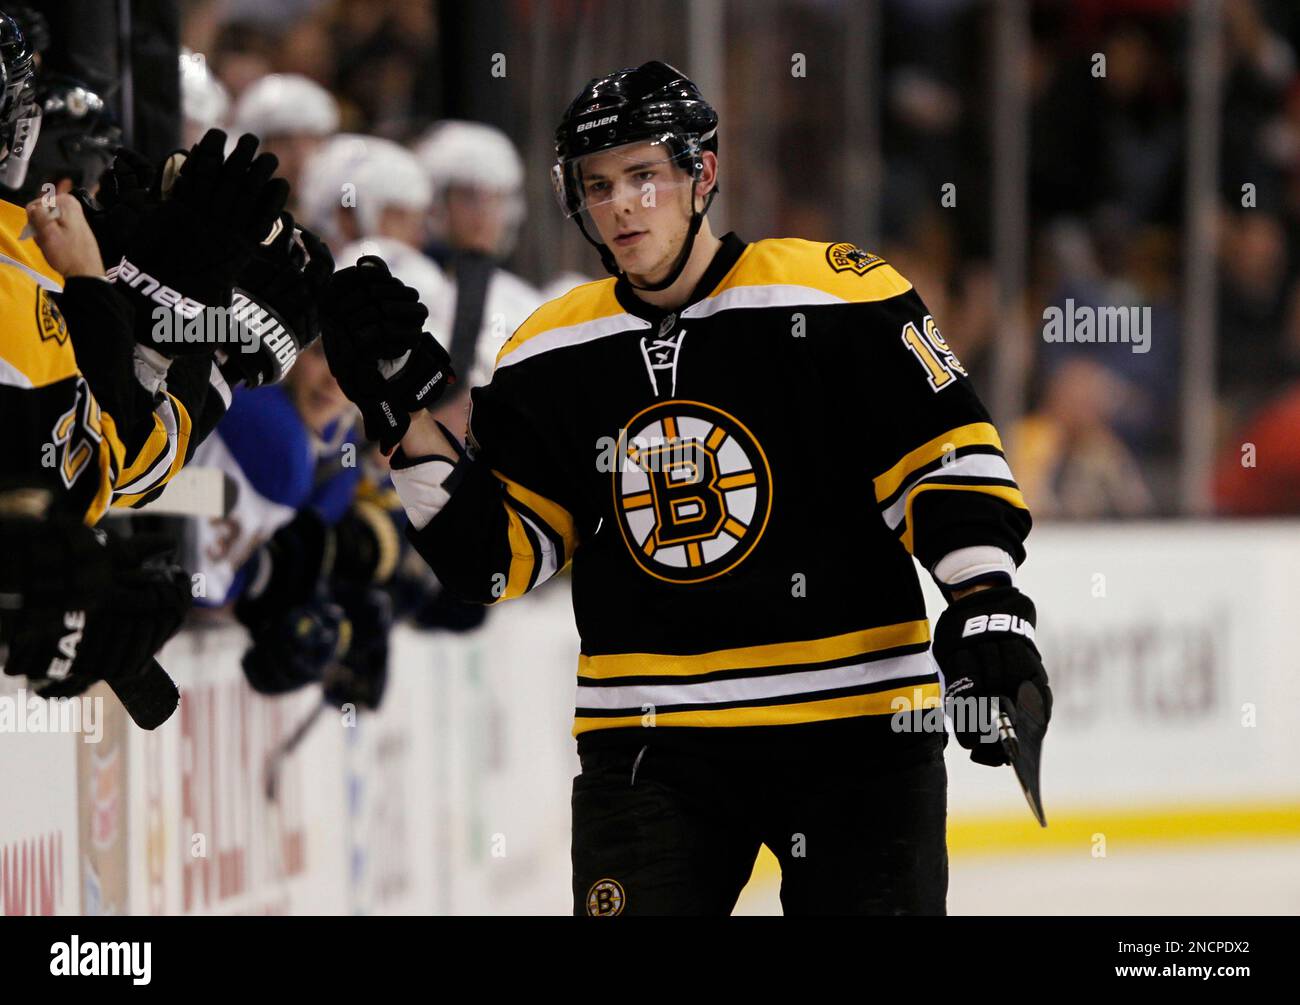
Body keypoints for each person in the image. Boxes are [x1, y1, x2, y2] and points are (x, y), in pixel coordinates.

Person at [319, 61, 1052, 915]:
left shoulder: (838, 295)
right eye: (598, 185)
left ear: (701, 174)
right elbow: (501, 561)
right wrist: (400, 419)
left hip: (856, 731)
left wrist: (986, 596)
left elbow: (942, 453)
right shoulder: (547, 352)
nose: (622, 204)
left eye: (643, 176)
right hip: (650, 745)